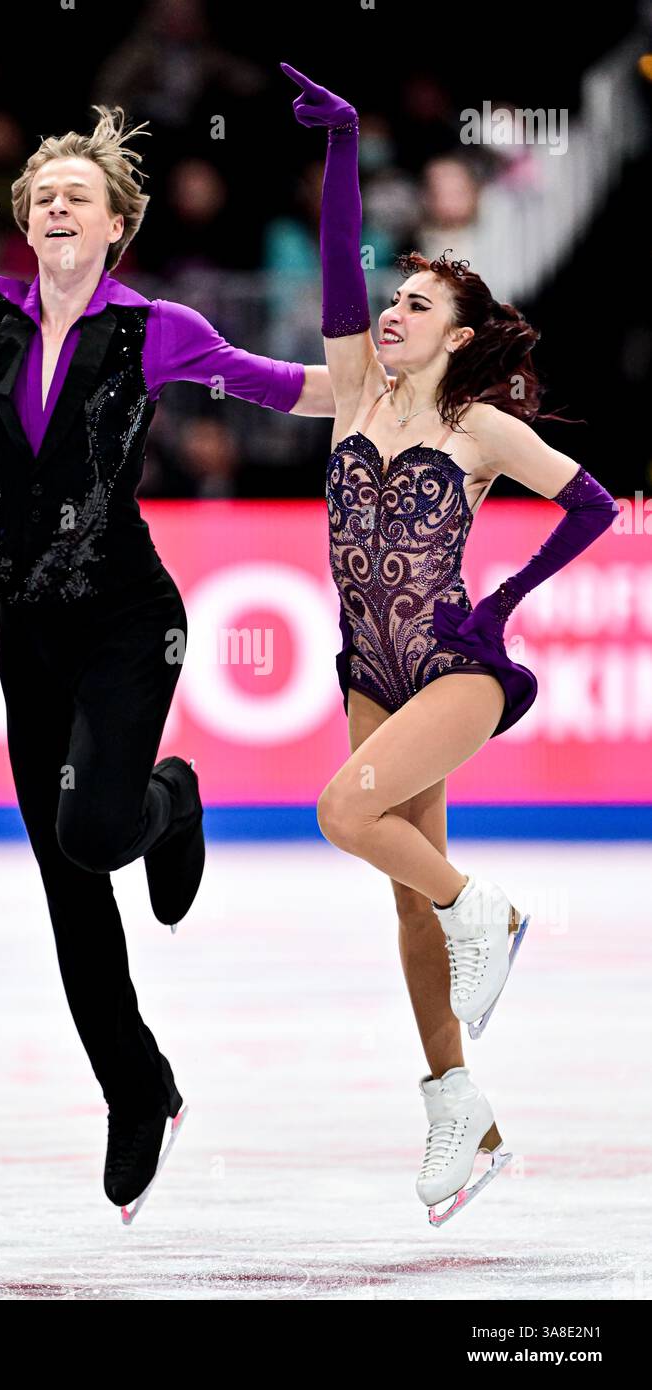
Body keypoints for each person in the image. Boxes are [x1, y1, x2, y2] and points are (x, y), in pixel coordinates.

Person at [0, 105, 336, 1223]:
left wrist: (409, 390)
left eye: (74, 195)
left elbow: (285, 386)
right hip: (25, 624)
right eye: (40, 193)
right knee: (66, 882)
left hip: (125, 617)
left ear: (114, 225)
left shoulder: (154, 328)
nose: (53, 204)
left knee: (95, 831)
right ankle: (134, 1088)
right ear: (22, 218)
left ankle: (174, 794)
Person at [281, 63, 617, 1225]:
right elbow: (336, 265)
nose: (391, 309)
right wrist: (338, 145)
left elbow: (596, 505)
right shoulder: (349, 390)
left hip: (449, 665)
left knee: (342, 814)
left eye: (418, 303)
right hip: (363, 670)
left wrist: (507, 600)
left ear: (459, 333)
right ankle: (456, 1114)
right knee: (395, 898)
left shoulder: (476, 423)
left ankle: (490, 913)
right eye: (395, 295)